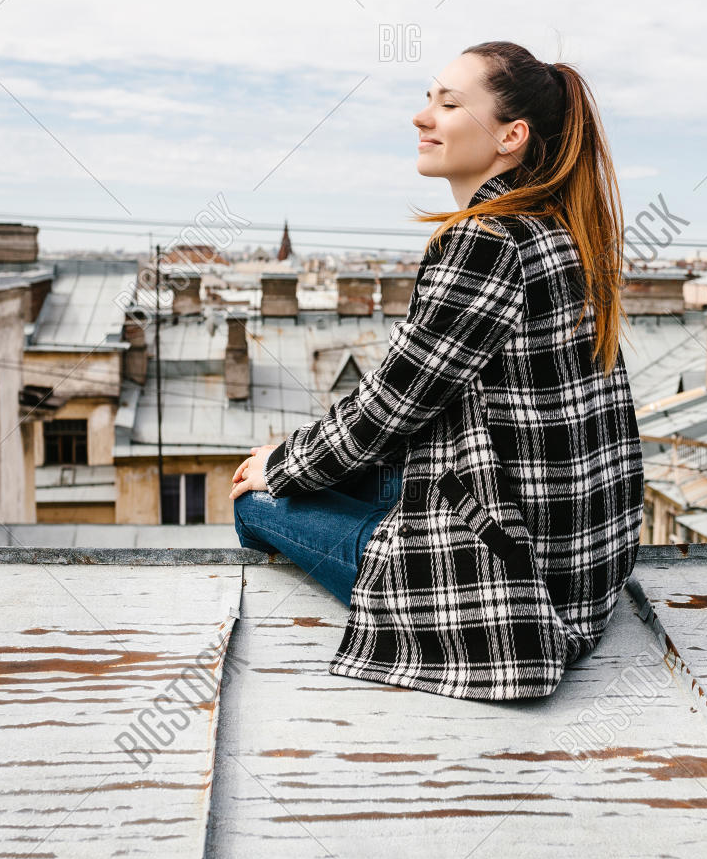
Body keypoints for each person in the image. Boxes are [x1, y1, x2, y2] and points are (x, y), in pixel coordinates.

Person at [232, 39, 644, 701]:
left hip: (518, 595)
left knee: (255, 504)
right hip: (585, 574)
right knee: (331, 473)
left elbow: (388, 409)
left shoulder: (485, 242)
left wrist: (278, 466)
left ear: (511, 136)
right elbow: (417, 406)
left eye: (448, 104)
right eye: (429, 99)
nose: (422, 118)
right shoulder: (559, 229)